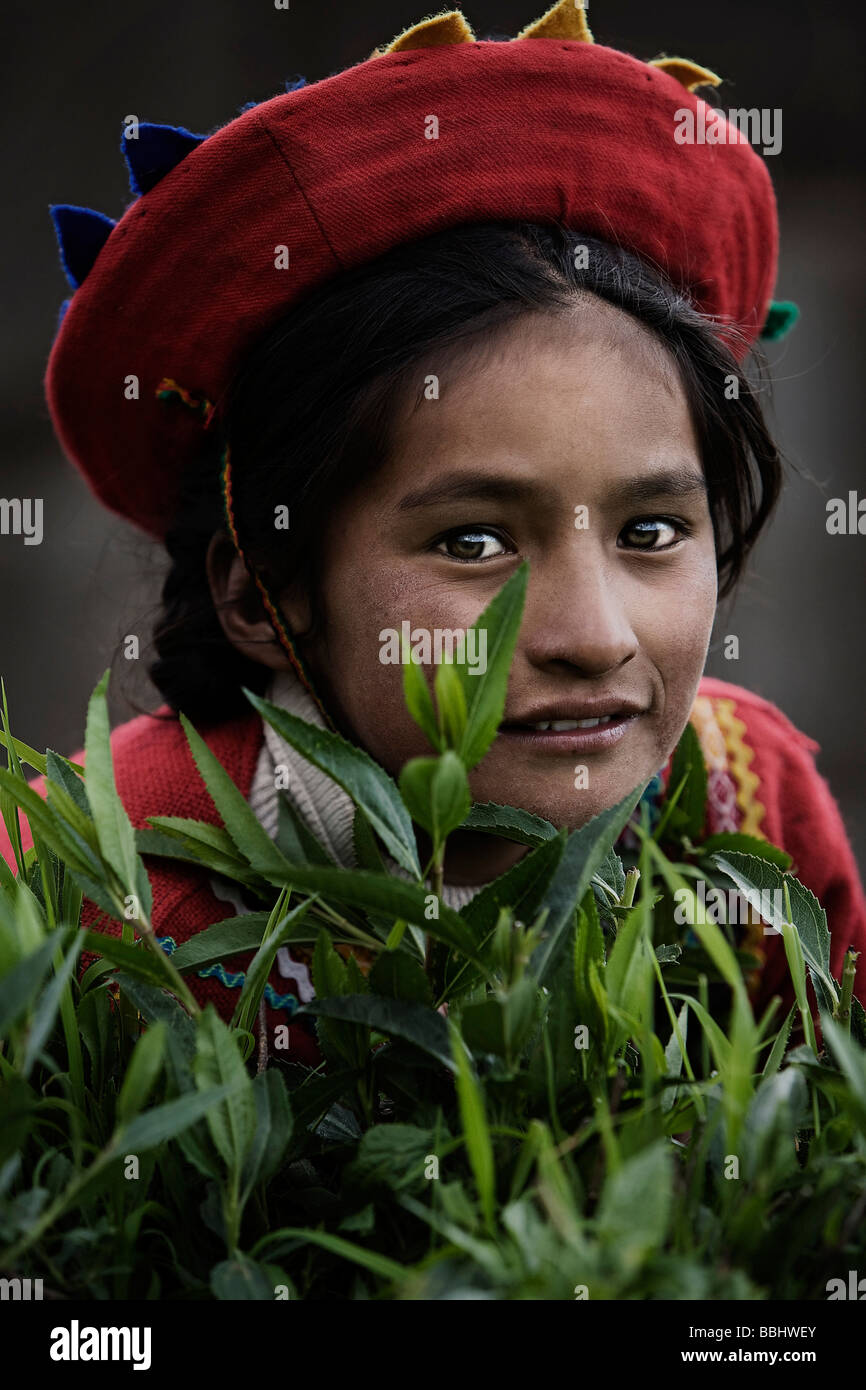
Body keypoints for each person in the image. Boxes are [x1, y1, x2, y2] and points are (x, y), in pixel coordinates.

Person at [4, 3, 865, 1062]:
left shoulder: (746, 811)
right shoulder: (89, 897)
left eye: (649, 528)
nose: (592, 636)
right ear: (262, 592)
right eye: (471, 543)